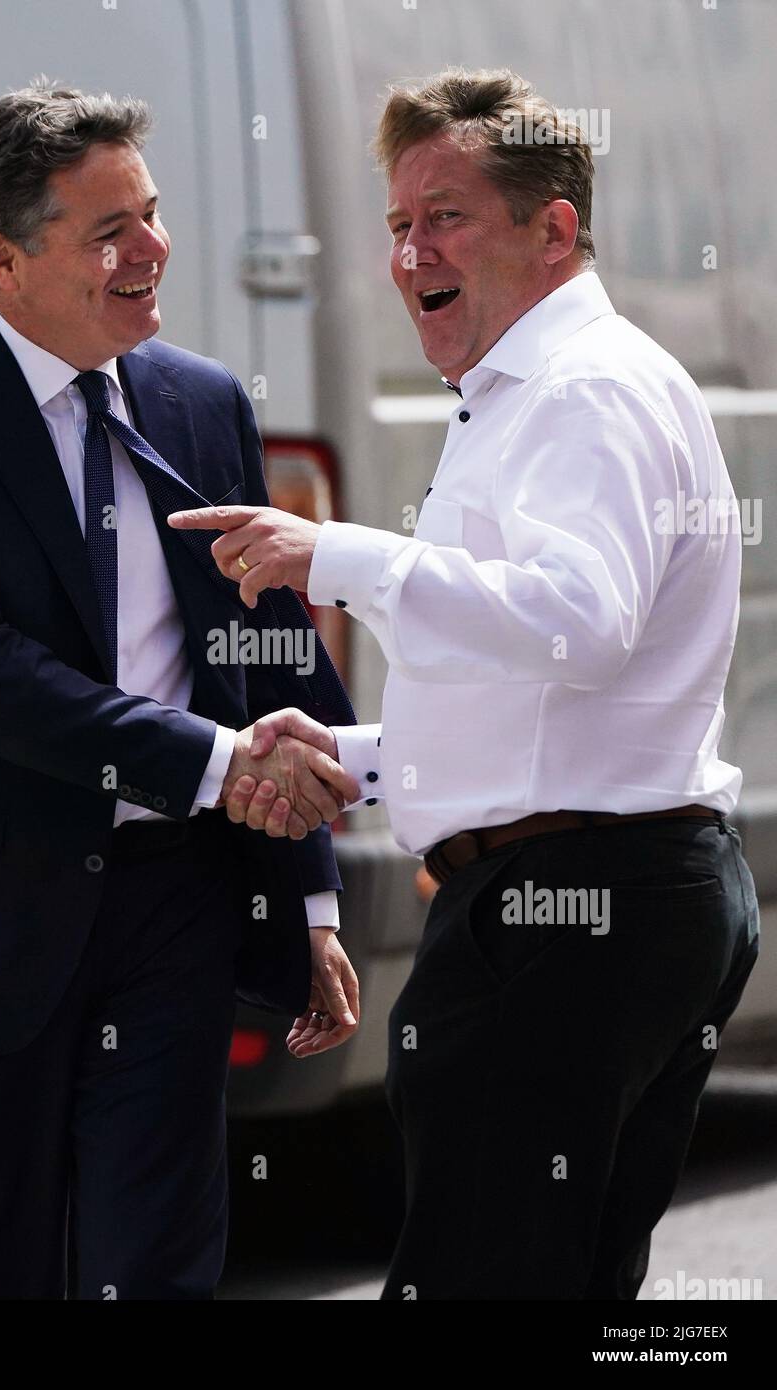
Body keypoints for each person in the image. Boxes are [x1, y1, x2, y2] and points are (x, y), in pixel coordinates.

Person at [171, 66, 760, 1299]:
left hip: (575, 915)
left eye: (445, 216)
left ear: (554, 229)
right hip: (608, 892)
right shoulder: (532, 388)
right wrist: (363, 762)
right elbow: (546, 690)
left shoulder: (579, 388)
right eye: (396, 224)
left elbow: (580, 626)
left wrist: (332, 554)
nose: (409, 254)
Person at [0, 82, 361, 1300]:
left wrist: (309, 896)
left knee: (158, 1267)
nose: (151, 251)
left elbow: (266, 647)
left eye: (149, 213)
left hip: (172, 906)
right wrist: (216, 763)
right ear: (4, 255)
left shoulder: (202, 401)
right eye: (109, 232)